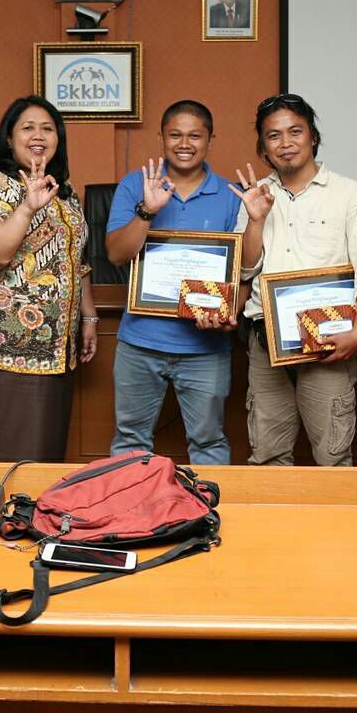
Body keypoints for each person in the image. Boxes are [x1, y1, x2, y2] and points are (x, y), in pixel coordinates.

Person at [234, 93, 357, 466]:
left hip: (328, 342)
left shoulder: (350, 194)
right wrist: (255, 219)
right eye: (273, 136)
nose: (285, 144)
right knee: (267, 453)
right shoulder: (256, 195)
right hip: (265, 340)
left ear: (313, 137)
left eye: (295, 132)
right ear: (263, 147)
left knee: (333, 455)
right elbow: (246, 268)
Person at [106, 100, 240, 465]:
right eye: (175, 134)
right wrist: (147, 210)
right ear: (162, 138)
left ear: (210, 139)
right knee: (130, 442)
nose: (185, 143)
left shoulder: (232, 195)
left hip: (205, 347)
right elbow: (117, 254)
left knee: (209, 443)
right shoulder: (136, 185)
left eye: (195, 135)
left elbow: (242, 271)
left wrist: (228, 312)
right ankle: (130, 518)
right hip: (140, 342)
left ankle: (210, 520)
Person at [0, 95, 97, 461]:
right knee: (7, 457)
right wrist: (26, 208)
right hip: (9, 347)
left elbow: (78, 259)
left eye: (47, 128)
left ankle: (34, 521)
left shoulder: (64, 192)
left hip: (58, 353)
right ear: (9, 138)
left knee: (45, 458)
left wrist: (88, 317)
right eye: (27, 127)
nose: (38, 135)